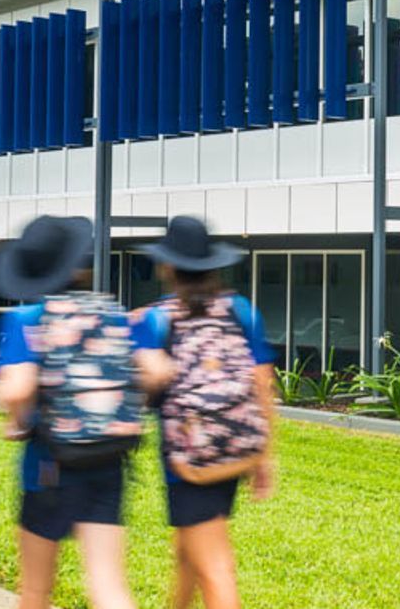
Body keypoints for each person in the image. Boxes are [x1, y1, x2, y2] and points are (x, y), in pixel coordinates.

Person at [0, 216, 158, 609]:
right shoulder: (117, 314)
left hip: (49, 468)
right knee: (108, 586)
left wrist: (17, 422)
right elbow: (156, 373)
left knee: (36, 591)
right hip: (109, 460)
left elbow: (16, 390)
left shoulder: (28, 320)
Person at [141, 216, 277, 609]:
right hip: (235, 447)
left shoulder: (158, 320)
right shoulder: (240, 311)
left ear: (167, 267)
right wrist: (264, 455)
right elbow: (262, 385)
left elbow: (149, 384)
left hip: (190, 457)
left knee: (216, 567)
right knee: (189, 551)